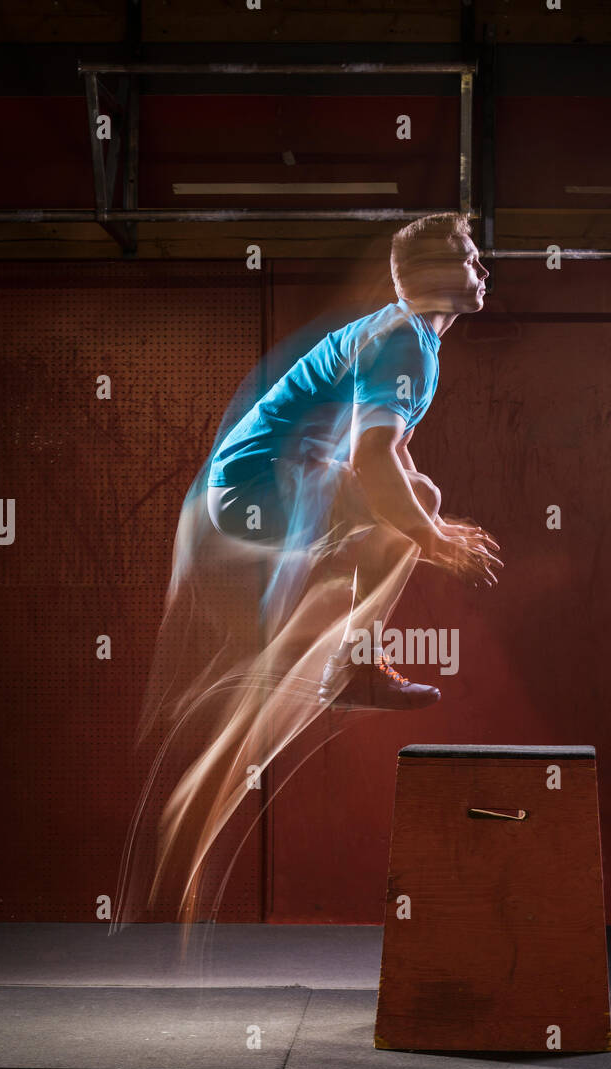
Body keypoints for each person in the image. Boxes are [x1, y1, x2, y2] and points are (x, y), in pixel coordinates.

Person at [114, 213, 502, 931]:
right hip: (261, 490)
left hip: (263, 487)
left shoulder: (405, 338)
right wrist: (436, 542)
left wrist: (424, 525)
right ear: (427, 278)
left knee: (422, 499)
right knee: (411, 514)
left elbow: (396, 458)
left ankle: (350, 656)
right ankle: (347, 658)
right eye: (469, 258)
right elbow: (371, 461)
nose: (483, 269)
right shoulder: (403, 344)